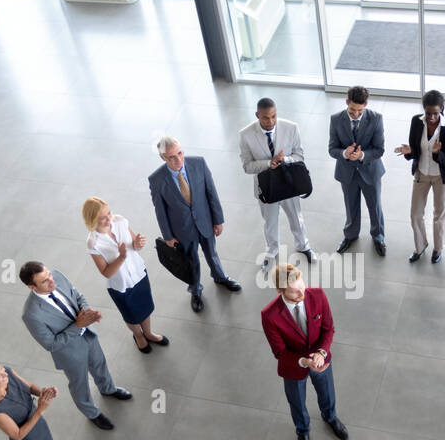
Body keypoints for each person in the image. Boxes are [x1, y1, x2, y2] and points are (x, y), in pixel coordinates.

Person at [20, 261, 132, 432]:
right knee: (80, 384)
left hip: (88, 334)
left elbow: (78, 296)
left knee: (100, 364)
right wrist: (78, 325)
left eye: (49, 274)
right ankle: (92, 413)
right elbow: (50, 344)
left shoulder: (58, 276)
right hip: (69, 353)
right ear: (32, 287)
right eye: (44, 281)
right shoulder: (31, 314)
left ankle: (108, 389)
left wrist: (87, 313)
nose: (51, 281)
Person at [260, 264, 348, 440]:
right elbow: (280, 353)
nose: (302, 293)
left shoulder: (317, 295)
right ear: (280, 291)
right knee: (297, 402)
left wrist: (321, 352)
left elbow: (329, 329)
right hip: (293, 366)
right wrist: (304, 361)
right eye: (294, 291)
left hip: (320, 359)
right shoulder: (269, 315)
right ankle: (302, 431)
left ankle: (330, 417)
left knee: (327, 392)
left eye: (302, 286)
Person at [148, 135, 241, 313]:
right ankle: (196, 290)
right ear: (163, 158)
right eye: (172, 157)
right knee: (191, 262)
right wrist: (168, 236)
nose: (178, 160)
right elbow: (160, 211)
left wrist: (217, 220)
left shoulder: (199, 164)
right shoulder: (157, 180)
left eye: (180, 153)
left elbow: (211, 192)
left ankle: (220, 277)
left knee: (212, 253)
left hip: (205, 221)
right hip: (182, 230)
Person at [82, 197, 168, 354]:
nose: (109, 218)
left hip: (138, 274)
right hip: (120, 285)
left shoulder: (120, 221)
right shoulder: (93, 242)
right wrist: (121, 257)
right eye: (103, 217)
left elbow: (134, 244)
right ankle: (138, 335)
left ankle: (148, 333)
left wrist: (138, 243)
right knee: (131, 315)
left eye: (109, 213)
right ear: (92, 219)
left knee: (145, 307)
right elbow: (106, 272)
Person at [239, 98, 316, 269]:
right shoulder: (245, 135)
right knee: (270, 222)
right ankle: (272, 251)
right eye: (265, 118)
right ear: (257, 115)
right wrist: (268, 164)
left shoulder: (291, 127)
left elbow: (299, 156)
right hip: (267, 188)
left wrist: (284, 160)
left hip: (289, 184)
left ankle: (304, 246)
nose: (270, 121)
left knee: (297, 218)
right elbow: (247, 166)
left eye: (274, 116)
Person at [394, 89, 445, 263]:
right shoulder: (416, 122)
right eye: (428, 113)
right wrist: (409, 151)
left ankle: (438, 249)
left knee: (439, 215)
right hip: (421, 172)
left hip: (441, 177)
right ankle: (420, 246)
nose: (431, 117)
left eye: (435, 113)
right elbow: (414, 149)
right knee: (415, 214)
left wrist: (438, 154)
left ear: (442, 109)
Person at [328, 85, 386, 257]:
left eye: (360, 111)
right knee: (350, 206)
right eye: (352, 110)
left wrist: (362, 155)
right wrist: (344, 153)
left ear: (366, 104)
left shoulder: (376, 118)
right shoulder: (336, 119)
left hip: (370, 171)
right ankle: (350, 235)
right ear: (347, 102)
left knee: (374, 206)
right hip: (347, 173)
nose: (356, 114)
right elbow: (332, 149)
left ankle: (378, 237)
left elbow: (379, 149)